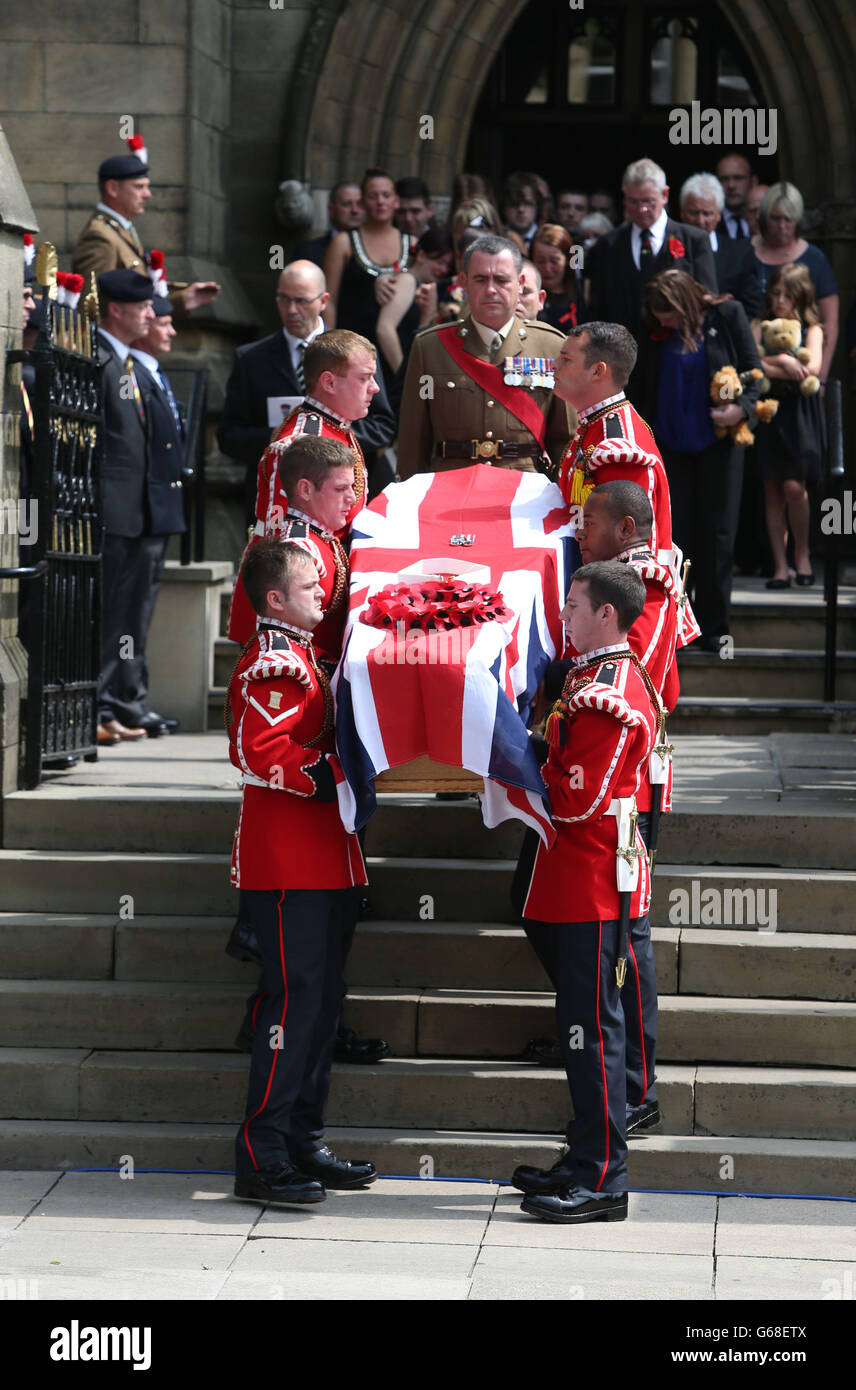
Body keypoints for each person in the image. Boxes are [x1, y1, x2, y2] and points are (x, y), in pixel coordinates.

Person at [511, 561, 658, 1224]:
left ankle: (603, 1177)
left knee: (591, 1032)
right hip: (574, 876)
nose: (563, 615)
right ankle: (584, 1155)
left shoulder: (609, 689)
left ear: (606, 613)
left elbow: (578, 798)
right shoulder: (588, 676)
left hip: (592, 877)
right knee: (581, 1028)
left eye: (573, 605)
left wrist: (525, 761)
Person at [229, 539, 376, 1206]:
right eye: (310, 585)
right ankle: (262, 1154)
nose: (324, 590)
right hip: (289, 861)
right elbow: (259, 752)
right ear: (276, 600)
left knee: (320, 1007)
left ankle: (301, 1142)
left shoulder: (304, 657)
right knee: (292, 1006)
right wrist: (340, 774)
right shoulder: (273, 663)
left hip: (326, 856)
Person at [227, 329, 378, 645]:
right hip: (300, 617)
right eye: (364, 378)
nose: (374, 388)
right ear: (329, 382)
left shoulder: (334, 428)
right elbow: (282, 549)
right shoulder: (299, 443)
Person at [641, 268, 762, 649]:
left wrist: (741, 409)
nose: (666, 324)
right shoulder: (655, 331)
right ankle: (679, 626)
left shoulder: (728, 316)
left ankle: (715, 627)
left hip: (718, 446)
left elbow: (754, 372)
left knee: (718, 535)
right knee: (677, 539)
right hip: (671, 449)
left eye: (671, 317)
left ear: (685, 305)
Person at [217, 261, 396, 518]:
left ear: (323, 301)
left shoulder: (355, 353)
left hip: (344, 500)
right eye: (284, 300)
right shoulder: (251, 359)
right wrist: (279, 437)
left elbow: (383, 425)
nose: (291, 310)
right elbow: (228, 436)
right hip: (278, 503)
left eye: (301, 301)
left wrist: (327, 440)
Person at [396, 234, 573, 479]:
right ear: (464, 283)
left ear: (520, 283)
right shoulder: (430, 347)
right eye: (480, 279)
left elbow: (565, 441)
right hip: (450, 487)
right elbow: (413, 441)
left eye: (501, 280)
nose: (491, 289)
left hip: (526, 491)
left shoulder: (552, 345)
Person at [95, 270, 185, 744]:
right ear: (116, 309)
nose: (153, 314)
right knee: (110, 616)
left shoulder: (127, 361)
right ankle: (102, 704)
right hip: (116, 513)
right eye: (143, 306)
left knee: (130, 616)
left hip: (141, 512)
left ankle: (116, 703)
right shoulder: (99, 358)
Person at [584, 158, 717, 397]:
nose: (641, 209)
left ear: (665, 195)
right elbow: (598, 309)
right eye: (633, 202)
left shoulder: (693, 240)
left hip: (679, 362)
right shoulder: (608, 245)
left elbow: (708, 301)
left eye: (648, 201)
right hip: (624, 370)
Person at [553, 322, 672, 556]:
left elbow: (629, 550)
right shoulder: (596, 422)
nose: (554, 365)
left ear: (598, 371)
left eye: (566, 359)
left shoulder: (618, 447)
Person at [73, 139, 219, 316]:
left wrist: (181, 300)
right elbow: (95, 305)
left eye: (147, 187)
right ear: (112, 188)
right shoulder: (100, 236)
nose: (147, 194)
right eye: (138, 187)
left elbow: (134, 300)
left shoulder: (119, 230)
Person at [753, 263, 826, 588]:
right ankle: (780, 566)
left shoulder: (812, 328)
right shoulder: (759, 324)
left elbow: (812, 370)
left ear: (801, 296)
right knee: (772, 492)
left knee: (796, 488)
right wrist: (782, 361)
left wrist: (774, 366)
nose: (780, 299)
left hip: (800, 414)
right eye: (776, 292)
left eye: (787, 294)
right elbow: (750, 364)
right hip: (769, 414)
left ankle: (803, 555)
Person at [751, 182, 839, 381]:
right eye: (775, 218)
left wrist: (821, 379)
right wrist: (781, 362)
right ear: (764, 217)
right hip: (758, 362)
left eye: (788, 219)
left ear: (798, 220)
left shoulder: (814, 259)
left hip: (803, 373)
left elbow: (830, 322)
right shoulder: (746, 253)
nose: (782, 226)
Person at [323, 168, 412, 339]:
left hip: (402, 344)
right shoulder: (343, 243)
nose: (380, 201)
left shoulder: (413, 243)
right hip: (354, 342)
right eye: (373, 196)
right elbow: (329, 301)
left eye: (386, 195)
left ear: (396, 201)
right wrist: (330, 343)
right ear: (362, 203)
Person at [680, 173, 762, 321]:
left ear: (718, 215)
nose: (700, 220)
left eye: (707, 213)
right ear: (682, 213)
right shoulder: (668, 248)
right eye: (694, 212)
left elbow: (753, 310)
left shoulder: (740, 253)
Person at [374, 226, 455, 376]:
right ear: (421, 256)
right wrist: (404, 374)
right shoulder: (407, 281)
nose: (443, 269)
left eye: (448, 266)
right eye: (439, 261)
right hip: (391, 373)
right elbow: (384, 329)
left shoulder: (425, 286)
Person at [294, 181, 364, 268]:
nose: (354, 210)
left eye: (360, 204)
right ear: (331, 209)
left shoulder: (377, 250)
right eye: (346, 204)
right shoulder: (308, 252)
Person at [531, 224, 578, 332]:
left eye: (554, 261)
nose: (547, 269)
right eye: (541, 261)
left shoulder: (582, 292)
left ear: (567, 260)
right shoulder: (527, 297)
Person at [715, 153, 756, 239]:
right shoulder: (710, 222)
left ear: (753, 182)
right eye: (724, 179)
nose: (731, 186)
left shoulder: (767, 220)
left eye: (738, 178)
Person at [501, 172, 541, 253]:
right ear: (504, 208)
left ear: (537, 206)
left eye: (528, 204)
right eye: (514, 204)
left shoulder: (547, 238)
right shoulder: (495, 237)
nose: (521, 209)